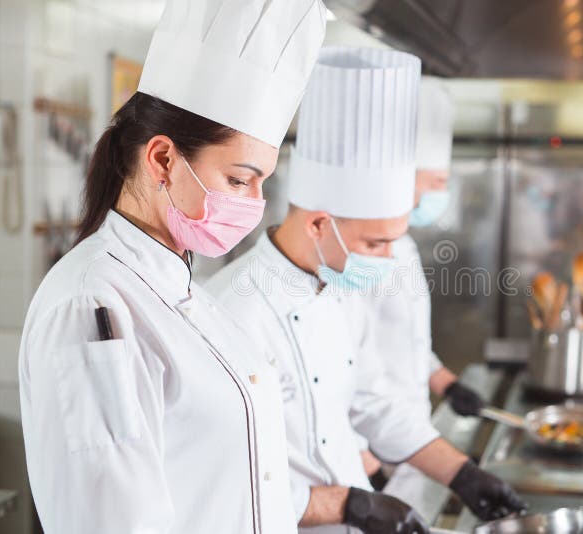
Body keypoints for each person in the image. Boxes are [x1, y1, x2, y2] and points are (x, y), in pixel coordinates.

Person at [18, 1, 325, 533]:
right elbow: (112, 522)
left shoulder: (184, 293)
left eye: (262, 183)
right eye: (238, 180)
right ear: (162, 158)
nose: (254, 204)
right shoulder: (92, 307)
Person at [207, 46, 525, 534]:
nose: (387, 259)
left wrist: (462, 474)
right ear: (319, 224)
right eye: (375, 243)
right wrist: (347, 505)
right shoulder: (228, 313)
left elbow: (374, 401)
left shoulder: (338, 293)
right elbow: (217, 480)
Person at [360, 77, 486, 489]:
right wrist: (366, 465)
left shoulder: (405, 246)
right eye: (435, 183)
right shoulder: (358, 254)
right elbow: (340, 369)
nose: (440, 194)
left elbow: (408, 339)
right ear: (402, 178)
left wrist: (446, 383)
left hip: (409, 432)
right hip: (368, 447)